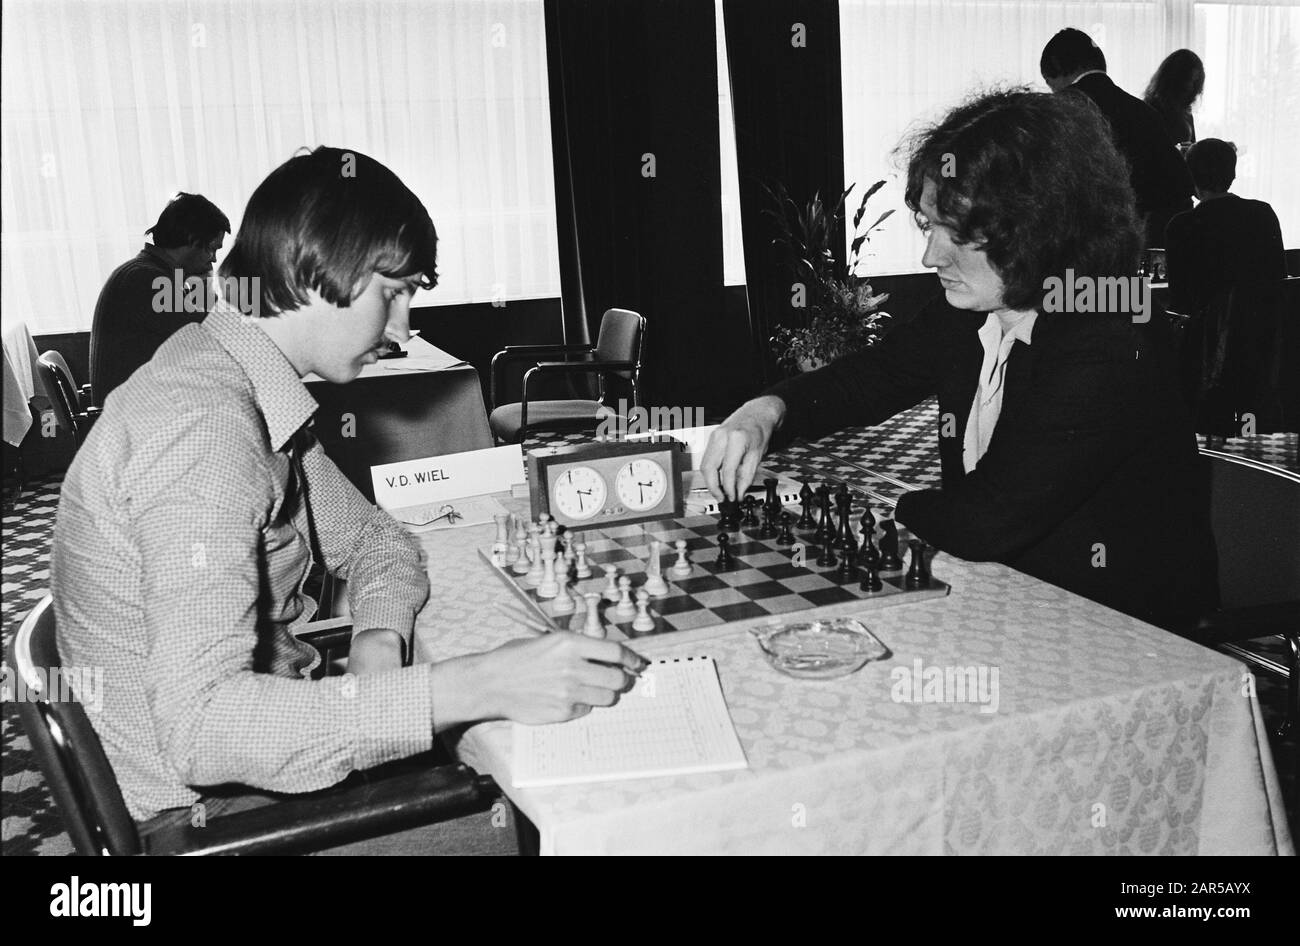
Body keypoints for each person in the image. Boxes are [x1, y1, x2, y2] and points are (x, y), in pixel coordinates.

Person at [52, 147, 645, 851]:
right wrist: (471, 686)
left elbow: (378, 541)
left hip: (257, 762)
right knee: (556, 813)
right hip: (215, 821)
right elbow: (203, 734)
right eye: (393, 293)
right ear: (311, 274)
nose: (400, 332)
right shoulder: (205, 429)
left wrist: (377, 642)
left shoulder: (240, 381)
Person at [701, 89, 1218, 636]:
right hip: (1009, 593)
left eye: (961, 234)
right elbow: (874, 377)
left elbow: (984, 521)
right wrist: (768, 409)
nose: (931, 257)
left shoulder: (1111, 335)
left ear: (1044, 229)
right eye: (929, 227)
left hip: (1118, 629)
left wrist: (871, 512)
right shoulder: (980, 304)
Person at [1040, 28, 1194, 248]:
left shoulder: (1056, 111)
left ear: (1058, 72)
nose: (1052, 91)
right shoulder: (1142, 111)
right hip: (1141, 244)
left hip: (1081, 248)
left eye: (1049, 83)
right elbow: (1180, 186)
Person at [88, 193, 231, 407]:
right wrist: (205, 282)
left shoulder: (147, 272)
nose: (214, 259)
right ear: (193, 241)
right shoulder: (147, 280)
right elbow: (212, 335)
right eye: (212, 249)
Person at [1165, 138, 1286, 314]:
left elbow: (1179, 300)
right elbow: (1279, 279)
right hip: (1261, 331)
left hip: (1204, 336)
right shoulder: (1262, 213)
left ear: (1190, 176)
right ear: (1232, 173)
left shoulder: (1181, 226)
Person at [1143, 49, 1205, 148]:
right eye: (1189, 80)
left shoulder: (1186, 113)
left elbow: (1193, 152)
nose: (1191, 87)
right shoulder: (1149, 111)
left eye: (1195, 82)